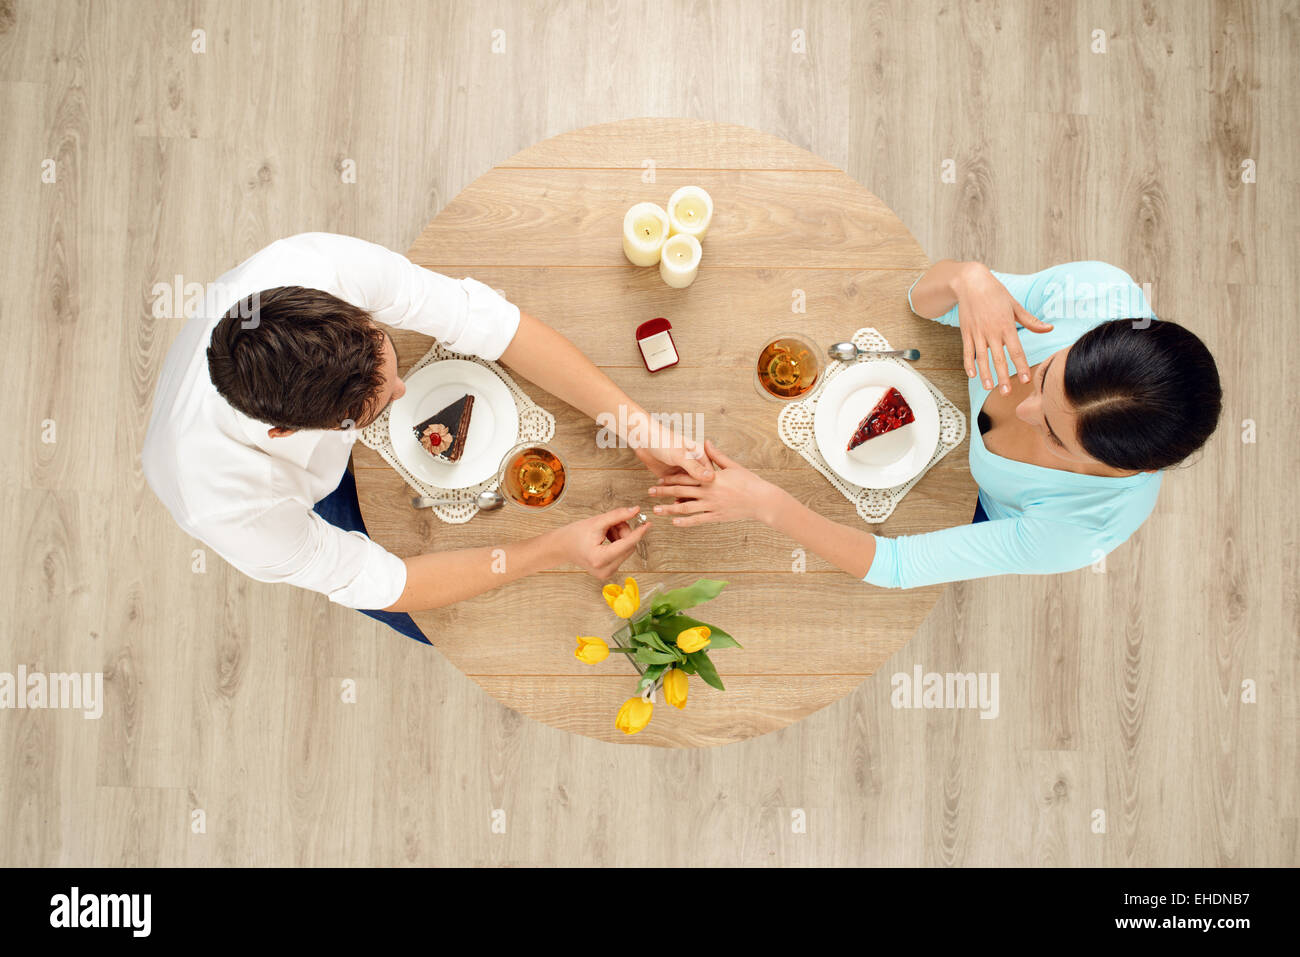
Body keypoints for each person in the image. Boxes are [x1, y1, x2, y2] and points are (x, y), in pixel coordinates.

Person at [142, 232, 713, 643]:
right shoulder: (237, 511)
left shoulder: (315, 265)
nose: (403, 393)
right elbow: (386, 582)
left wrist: (638, 428)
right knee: (435, 627)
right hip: (292, 493)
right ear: (288, 432)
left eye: (389, 362)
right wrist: (549, 551)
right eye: (374, 408)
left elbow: (491, 324)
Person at [644, 260, 1222, 588]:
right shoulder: (1091, 295)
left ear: (1130, 470)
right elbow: (923, 300)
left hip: (977, 507)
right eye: (1044, 375)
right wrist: (971, 280)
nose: (1020, 407)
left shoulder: (1076, 530)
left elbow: (898, 566)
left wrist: (768, 505)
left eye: (1051, 435)